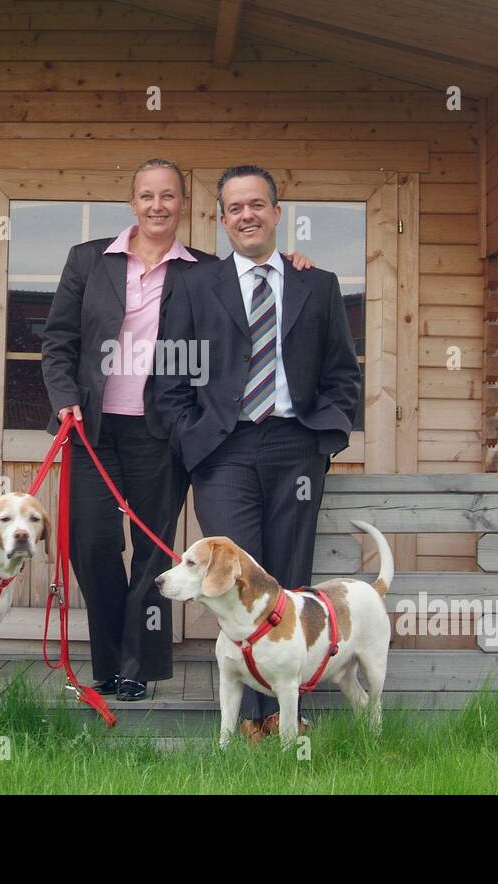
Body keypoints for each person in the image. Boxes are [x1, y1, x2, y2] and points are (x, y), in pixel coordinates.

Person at [40, 158, 313, 701]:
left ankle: (137, 668)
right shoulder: (88, 260)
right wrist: (66, 399)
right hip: (91, 429)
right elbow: (58, 342)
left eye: (168, 196)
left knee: (151, 551)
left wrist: (293, 263)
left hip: (161, 433)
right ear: (132, 202)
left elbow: (255, 288)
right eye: (147, 196)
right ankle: (108, 660)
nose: (157, 206)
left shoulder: (204, 271)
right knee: (92, 546)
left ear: (183, 205)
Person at [153, 164, 361, 736]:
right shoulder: (195, 286)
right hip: (224, 450)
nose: (247, 215)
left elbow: (343, 372)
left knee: (287, 582)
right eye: (235, 207)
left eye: (257, 205)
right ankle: (247, 719)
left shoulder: (316, 285)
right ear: (222, 219)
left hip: (296, 447)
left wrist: (327, 437)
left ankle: (282, 717)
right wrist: (189, 438)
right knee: (232, 583)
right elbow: (171, 373)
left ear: (276, 212)